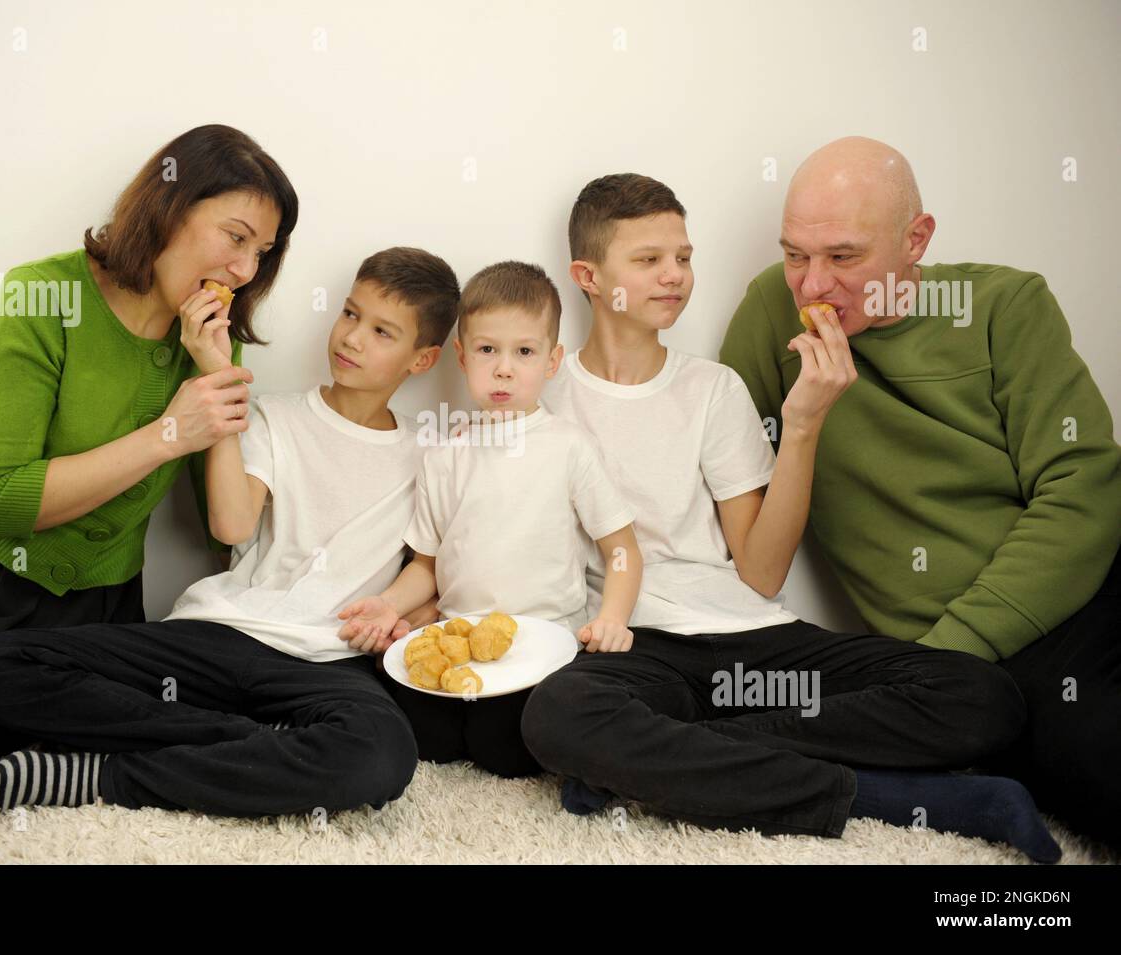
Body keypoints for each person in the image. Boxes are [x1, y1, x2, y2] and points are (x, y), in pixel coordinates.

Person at [520, 172, 1063, 864]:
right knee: (556, 715)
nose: (674, 276)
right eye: (649, 260)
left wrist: (803, 423)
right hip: (632, 649)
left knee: (982, 694)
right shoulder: (541, 394)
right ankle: (916, 800)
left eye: (683, 257)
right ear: (588, 276)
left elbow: (761, 569)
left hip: (747, 641)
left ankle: (671, 756)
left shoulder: (713, 388)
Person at [0, 124, 298, 820]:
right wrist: (169, 433)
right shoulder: (39, 297)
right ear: (171, 207)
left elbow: (230, 525)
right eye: (236, 236)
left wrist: (216, 375)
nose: (246, 269)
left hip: (74, 612)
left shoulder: (203, 345)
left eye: (263, 252)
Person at [719, 136, 1121, 851]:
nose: (812, 285)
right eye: (794, 255)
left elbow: (1084, 484)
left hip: (1082, 585)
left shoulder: (1005, 304)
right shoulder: (767, 313)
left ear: (916, 240)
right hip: (999, 665)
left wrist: (948, 658)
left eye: (843, 258)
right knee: (1093, 752)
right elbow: (717, 481)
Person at [0, 248, 459, 818]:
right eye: (349, 313)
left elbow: (432, 561)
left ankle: (105, 777)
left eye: (382, 331)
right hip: (218, 635)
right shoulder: (273, 416)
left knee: (382, 756)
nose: (352, 338)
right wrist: (215, 372)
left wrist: (403, 610)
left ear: (423, 360)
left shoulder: (433, 452)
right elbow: (230, 524)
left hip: (327, 658)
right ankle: (251, 741)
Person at [338, 261, 642, 779]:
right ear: (461, 356)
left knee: (508, 749)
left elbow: (622, 549)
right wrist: (386, 605)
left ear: (552, 361)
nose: (504, 368)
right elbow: (427, 565)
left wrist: (613, 617)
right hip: (462, 642)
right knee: (416, 732)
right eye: (487, 350)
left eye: (524, 352)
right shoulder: (445, 454)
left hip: (545, 647)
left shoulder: (568, 448)